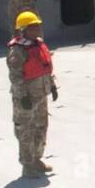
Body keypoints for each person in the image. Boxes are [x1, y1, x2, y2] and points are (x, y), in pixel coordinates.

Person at [8, 11, 58, 179]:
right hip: (26, 97)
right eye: (33, 27)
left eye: (38, 26)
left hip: (40, 95)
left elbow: (45, 67)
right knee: (25, 131)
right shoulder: (17, 50)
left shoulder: (38, 44)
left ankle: (37, 159)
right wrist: (23, 96)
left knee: (41, 127)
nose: (38, 29)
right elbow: (15, 76)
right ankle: (27, 165)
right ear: (23, 30)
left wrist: (52, 85)